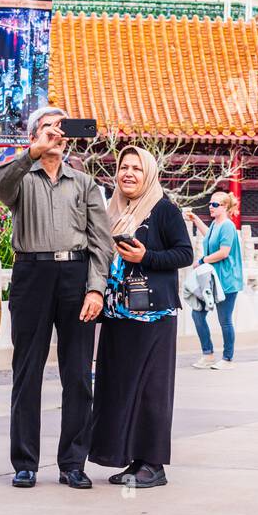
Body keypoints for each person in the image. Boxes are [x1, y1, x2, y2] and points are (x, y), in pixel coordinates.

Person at [0, 106, 113, 490]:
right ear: (34, 136)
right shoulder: (20, 178)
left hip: (76, 277)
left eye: (61, 129)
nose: (56, 134)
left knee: (78, 373)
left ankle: (72, 463)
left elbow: (101, 241)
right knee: (26, 371)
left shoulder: (84, 183)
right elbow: (0, 189)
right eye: (48, 128)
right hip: (32, 274)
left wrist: (96, 287)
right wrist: (30, 152)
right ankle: (25, 462)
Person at [90, 146, 193, 488]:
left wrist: (146, 255)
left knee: (151, 390)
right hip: (118, 314)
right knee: (120, 388)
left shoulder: (163, 209)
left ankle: (153, 464)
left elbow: (184, 254)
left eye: (136, 167)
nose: (128, 173)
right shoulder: (112, 210)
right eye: (123, 167)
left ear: (148, 173)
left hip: (154, 317)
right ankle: (133, 461)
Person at [186, 191, 243, 369]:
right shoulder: (215, 225)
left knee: (224, 320)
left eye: (215, 204)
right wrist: (195, 219)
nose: (211, 206)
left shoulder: (227, 226)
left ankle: (227, 359)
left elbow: (224, 252)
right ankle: (208, 354)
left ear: (225, 207)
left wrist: (202, 260)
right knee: (197, 314)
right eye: (210, 204)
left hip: (227, 280)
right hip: (211, 279)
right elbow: (208, 235)